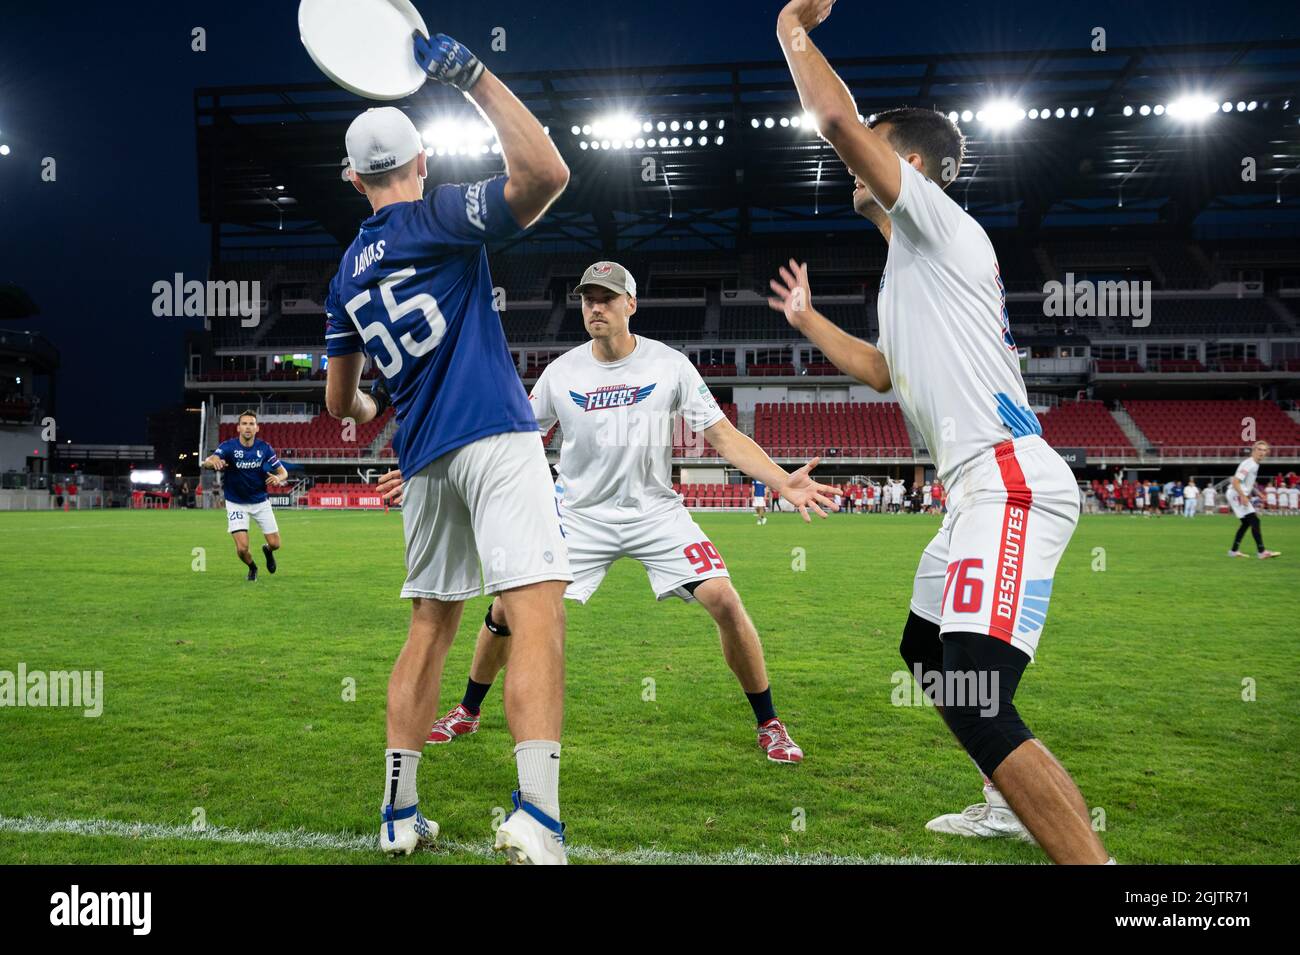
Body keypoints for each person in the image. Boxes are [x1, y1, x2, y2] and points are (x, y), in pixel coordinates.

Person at [769, 0, 1109, 863]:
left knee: (977, 698)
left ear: (910, 162)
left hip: (1007, 480)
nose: (857, 160)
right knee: (927, 649)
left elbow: (839, 121)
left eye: (881, 149)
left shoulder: (937, 224)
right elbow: (886, 370)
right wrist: (809, 321)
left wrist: (790, 29)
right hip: (978, 489)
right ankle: (1005, 797)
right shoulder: (908, 263)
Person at [415, 261, 835, 764]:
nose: (596, 306)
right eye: (588, 298)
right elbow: (516, 434)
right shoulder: (560, 372)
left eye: (607, 297)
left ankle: (769, 722)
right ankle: (467, 709)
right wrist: (442, 464)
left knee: (724, 599)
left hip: (656, 513)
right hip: (578, 517)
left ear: (630, 304)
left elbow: (721, 434)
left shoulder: (669, 365)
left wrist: (781, 480)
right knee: (506, 609)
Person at [325, 33, 574, 863]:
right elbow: (546, 176)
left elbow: (341, 404)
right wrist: (471, 76)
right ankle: (537, 818)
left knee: (429, 627)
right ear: (423, 162)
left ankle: (398, 813)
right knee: (533, 615)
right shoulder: (438, 213)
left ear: (354, 180)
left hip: (422, 455)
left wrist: (369, 404)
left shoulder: (345, 276)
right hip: (495, 435)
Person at [200, 410, 289, 581]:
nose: (248, 427)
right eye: (244, 424)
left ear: (257, 428)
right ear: (238, 428)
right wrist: (213, 463)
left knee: (275, 544)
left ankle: (267, 551)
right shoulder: (228, 446)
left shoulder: (264, 448)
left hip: (260, 501)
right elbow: (208, 461)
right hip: (236, 502)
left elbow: (283, 472)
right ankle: (252, 567)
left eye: (251, 424)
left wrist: (278, 478)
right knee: (242, 549)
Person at [1227, 441, 1281, 559]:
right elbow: (1235, 481)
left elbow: (1247, 483)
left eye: (1264, 450)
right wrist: (1243, 496)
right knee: (1255, 521)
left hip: (1237, 493)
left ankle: (1233, 551)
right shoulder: (1249, 464)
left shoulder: (1255, 464)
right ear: (1254, 450)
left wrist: (1258, 493)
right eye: (1259, 449)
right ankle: (1261, 551)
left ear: (1267, 452)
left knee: (1246, 523)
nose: (1262, 452)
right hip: (1236, 494)